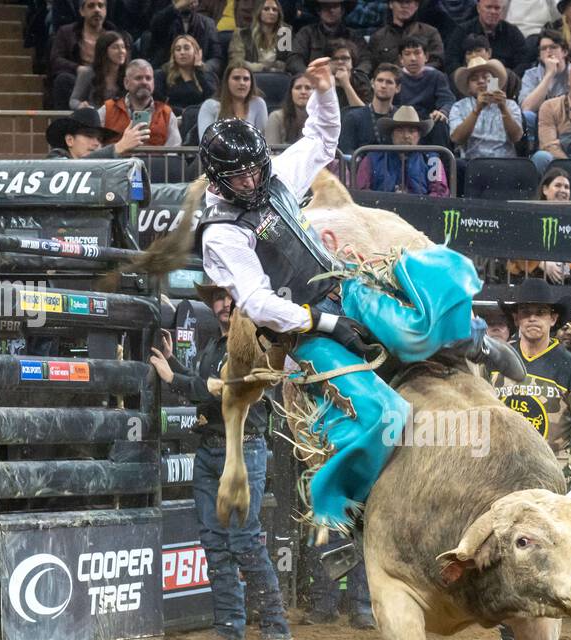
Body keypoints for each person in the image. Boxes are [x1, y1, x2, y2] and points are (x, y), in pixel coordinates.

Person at [193, 56, 523, 533]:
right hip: (302, 331)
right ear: (219, 180)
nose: (252, 181)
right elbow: (258, 303)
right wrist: (324, 324)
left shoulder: (275, 175)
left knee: (417, 318)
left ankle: (475, 340)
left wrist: (325, 91)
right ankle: (346, 509)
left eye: (255, 169)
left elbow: (322, 138)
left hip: (343, 284)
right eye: (240, 177)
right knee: (382, 413)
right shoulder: (221, 234)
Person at [149, 284, 295, 640]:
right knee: (215, 542)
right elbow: (206, 387)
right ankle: (230, 626)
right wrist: (177, 364)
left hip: (241, 450)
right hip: (215, 450)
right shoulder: (214, 348)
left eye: (230, 297)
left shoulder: (252, 346)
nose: (225, 303)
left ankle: (276, 628)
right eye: (218, 298)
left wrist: (172, 376)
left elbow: (219, 388)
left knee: (244, 540)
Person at [478, 277, 571, 640]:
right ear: (516, 318)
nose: (533, 319)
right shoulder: (494, 361)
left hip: (552, 480)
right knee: (496, 563)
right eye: (526, 312)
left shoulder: (570, 369)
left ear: (553, 319)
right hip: (502, 478)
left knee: (545, 564)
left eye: (541, 313)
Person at [352, 104, 451, 193]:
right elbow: (361, 191)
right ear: (391, 134)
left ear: (419, 135)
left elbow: (440, 192)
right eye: (400, 130)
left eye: (412, 131)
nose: (406, 136)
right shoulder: (372, 158)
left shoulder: (431, 160)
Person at [507, 168, 571, 282]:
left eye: (566, 187)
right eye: (558, 185)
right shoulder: (527, 216)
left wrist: (560, 266)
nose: (563, 190)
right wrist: (541, 263)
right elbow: (516, 248)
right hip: (527, 275)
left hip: (562, 277)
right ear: (545, 190)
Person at [448, 55, 524, 159]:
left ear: (495, 82)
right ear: (468, 88)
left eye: (485, 77)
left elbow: (516, 137)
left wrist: (503, 108)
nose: (481, 81)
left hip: (506, 162)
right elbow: (457, 138)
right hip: (472, 163)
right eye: (474, 79)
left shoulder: (510, 105)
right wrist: (477, 109)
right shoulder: (459, 107)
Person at [48, 0, 118, 109]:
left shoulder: (114, 35)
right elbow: (56, 60)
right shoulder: (67, 33)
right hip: (77, 81)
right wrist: (78, 68)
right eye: (91, 6)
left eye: (101, 6)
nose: (97, 10)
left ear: (106, 10)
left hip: (106, 81)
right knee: (63, 80)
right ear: (81, 11)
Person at [100, 59, 182, 146]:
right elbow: (94, 147)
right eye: (138, 78)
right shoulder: (107, 110)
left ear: (153, 83)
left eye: (148, 78)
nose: (144, 82)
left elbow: (173, 152)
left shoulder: (166, 113)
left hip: (156, 160)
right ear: (126, 83)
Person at [446, 0, 528, 75]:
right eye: (488, 7)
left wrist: (507, 79)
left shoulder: (512, 32)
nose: (493, 11)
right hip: (470, 82)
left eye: (497, 8)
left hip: (505, 83)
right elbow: (451, 61)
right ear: (478, 8)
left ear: (502, 11)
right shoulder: (462, 31)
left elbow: (524, 63)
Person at [519, 27, 571, 142]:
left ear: (564, 52)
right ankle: (532, 153)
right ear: (539, 56)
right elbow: (526, 108)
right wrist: (549, 75)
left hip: (570, 122)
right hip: (539, 124)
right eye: (544, 49)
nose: (548, 51)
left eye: (553, 47)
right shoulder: (530, 75)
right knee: (527, 117)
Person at [147, 0, 224, 76]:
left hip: (198, 75)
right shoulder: (165, 21)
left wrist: (203, 67)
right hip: (168, 74)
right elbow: (154, 25)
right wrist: (177, 7)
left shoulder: (207, 24)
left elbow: (216, 58)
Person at [290, 0, 365, 74]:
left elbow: (365, 59)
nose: (331, 10)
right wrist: (307, 74)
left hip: (347, 82)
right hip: (313, 82)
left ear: (342, 11)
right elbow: (294, 59)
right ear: (319, 11)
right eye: (326, 7)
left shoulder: (354, 36)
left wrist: (356, 75)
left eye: (335, 6)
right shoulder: (306, 33)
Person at [341, 60, 400, 153]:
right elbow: (346, 151)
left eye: (389, 82)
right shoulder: (353, 117)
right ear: (372, 83)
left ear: (398, 88)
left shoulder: (400, 118)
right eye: (380, 80)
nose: (383, 86)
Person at [45, 105, 148, 157]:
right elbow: (71, 169)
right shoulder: (56, 157)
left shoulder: (104, 169)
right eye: (89, 136)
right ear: (70, 140)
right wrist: (118, 147)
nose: (96, 143)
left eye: (99, 139)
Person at [369, 0, 444, 70]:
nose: (404, 6)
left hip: (422, 81)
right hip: (389, 81)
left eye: (408, 2)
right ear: (391, 4)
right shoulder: (378, 37)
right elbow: (372, 66)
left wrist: (414, 72)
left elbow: (437, 62)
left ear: (416, 5)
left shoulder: (430, 32)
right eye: (400, 2)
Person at [198, 61, 268, 133]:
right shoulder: (209, 106)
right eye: (236, 78)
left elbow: (264, 139)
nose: (242, 83)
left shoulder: (258, 103)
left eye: (246, 79)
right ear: (227, 82)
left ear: (251, 83)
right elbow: (205, 141)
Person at [229, 0, 294, 72]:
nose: (271, 12)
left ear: (279, 14)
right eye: (266, 9)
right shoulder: (243, 34)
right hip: (251, 77)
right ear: (258, 12)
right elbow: (236, 62)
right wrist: (262, 68)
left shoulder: (285, 33)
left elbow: (287, 62)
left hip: (278, 77)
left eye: (275, 10)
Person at [70, 30, 129, 109]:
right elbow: (74, 100)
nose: (121, 51)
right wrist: (80, 105)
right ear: (104, 51)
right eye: (115, 47)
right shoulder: (88, 73)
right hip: (95, 118)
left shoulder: (129, 73)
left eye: (123, 47)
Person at [158, 34, 216, 112]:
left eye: (186, 48)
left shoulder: (206, 74)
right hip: (173, 117)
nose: (182, 52)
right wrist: (182, 112)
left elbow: (211, 99)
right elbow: (160, 103)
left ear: (196, 52)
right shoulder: (163, 74)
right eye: (178, 49)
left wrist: (198, 70)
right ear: (173, 54)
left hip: (199, 117)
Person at [265, 71, 313, 144]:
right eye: (298, 88)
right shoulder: (276, 117)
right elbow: (271, 151)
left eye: (308, 88)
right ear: (291, 93)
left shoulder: (320, 119)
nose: (303, 92)